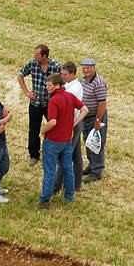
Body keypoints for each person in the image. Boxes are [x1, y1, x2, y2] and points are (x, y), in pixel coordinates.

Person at [38, 74, 86, 206]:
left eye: (49, 85)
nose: (47, 87)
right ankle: (69, 197)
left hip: (53, 141)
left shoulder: (54, 100)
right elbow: (85, 110)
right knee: (67, 169)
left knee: (49, 171)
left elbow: (52, 122)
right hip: (66, 141)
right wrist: (73, 125)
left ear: (57, 85)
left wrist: (43, 131)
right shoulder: (70, 96)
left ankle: (45, 199)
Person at [18, 44, 62, 166]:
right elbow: (20, 75)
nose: (34, 56)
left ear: (45, 56)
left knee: (53, 129)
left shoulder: (56, 66)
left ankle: (53, 154)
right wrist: (27, 92)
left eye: (37, 55)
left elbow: (63, 84)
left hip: (51, 104)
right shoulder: (32, 64)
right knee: (33, 130)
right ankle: (34, 155)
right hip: (35, 103)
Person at [79, 59, 107, 182]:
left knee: (96, 142)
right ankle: (92, 165)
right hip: (86, 116)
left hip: (96, 116)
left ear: (94, 67)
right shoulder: (84, 79)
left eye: (88, 68)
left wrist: (98, 120)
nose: (86, 70)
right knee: (88, 141)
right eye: (84, 68)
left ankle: (97, 171)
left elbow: (102, 103)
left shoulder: (99, 82)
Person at [60, 61, 86, 194]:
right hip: (75, 124)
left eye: (65, 74)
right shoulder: (72, 86)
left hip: (72, 124)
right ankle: (76, 184)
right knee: (76, 155)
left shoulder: (73, 89)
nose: (62, 76)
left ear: (72, 74)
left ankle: (57, 185)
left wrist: (69, 126)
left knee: (65, 155)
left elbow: (73, 111)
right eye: (62, 74)